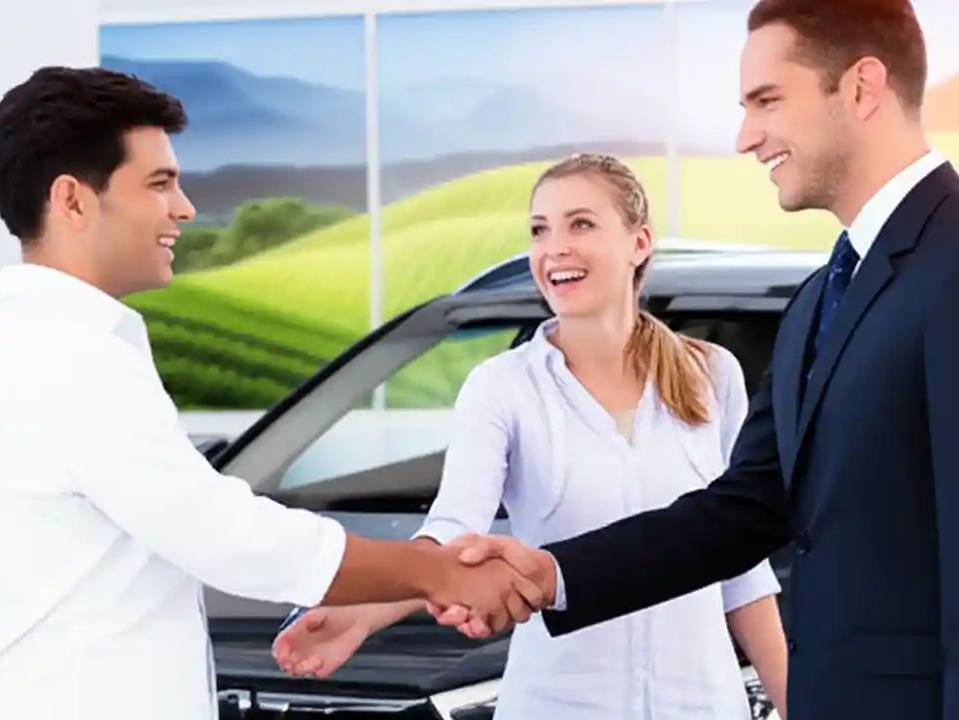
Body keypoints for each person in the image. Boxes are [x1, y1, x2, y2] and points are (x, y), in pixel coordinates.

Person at [435, 2, 959, 719]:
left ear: (862, 88)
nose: (746, 137)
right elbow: (745, 509)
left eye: (767, 101)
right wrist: (553, 573)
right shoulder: (821, 298)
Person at [0, 66, 544, 720]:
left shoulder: (38, 344)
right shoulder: (68, 357)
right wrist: (434, 572)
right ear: (74, 201)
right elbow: (221, 532)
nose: (184, 208)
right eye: (159, 183)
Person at [270, 153, 789, 719]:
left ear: (638, 243)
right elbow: (454, 531)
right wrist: (362, 611)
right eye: (540, 230)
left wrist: (795, 703)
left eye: (580, 224)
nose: (554, 248)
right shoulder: (501, 386)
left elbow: (740, 562)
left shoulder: (712, 375)